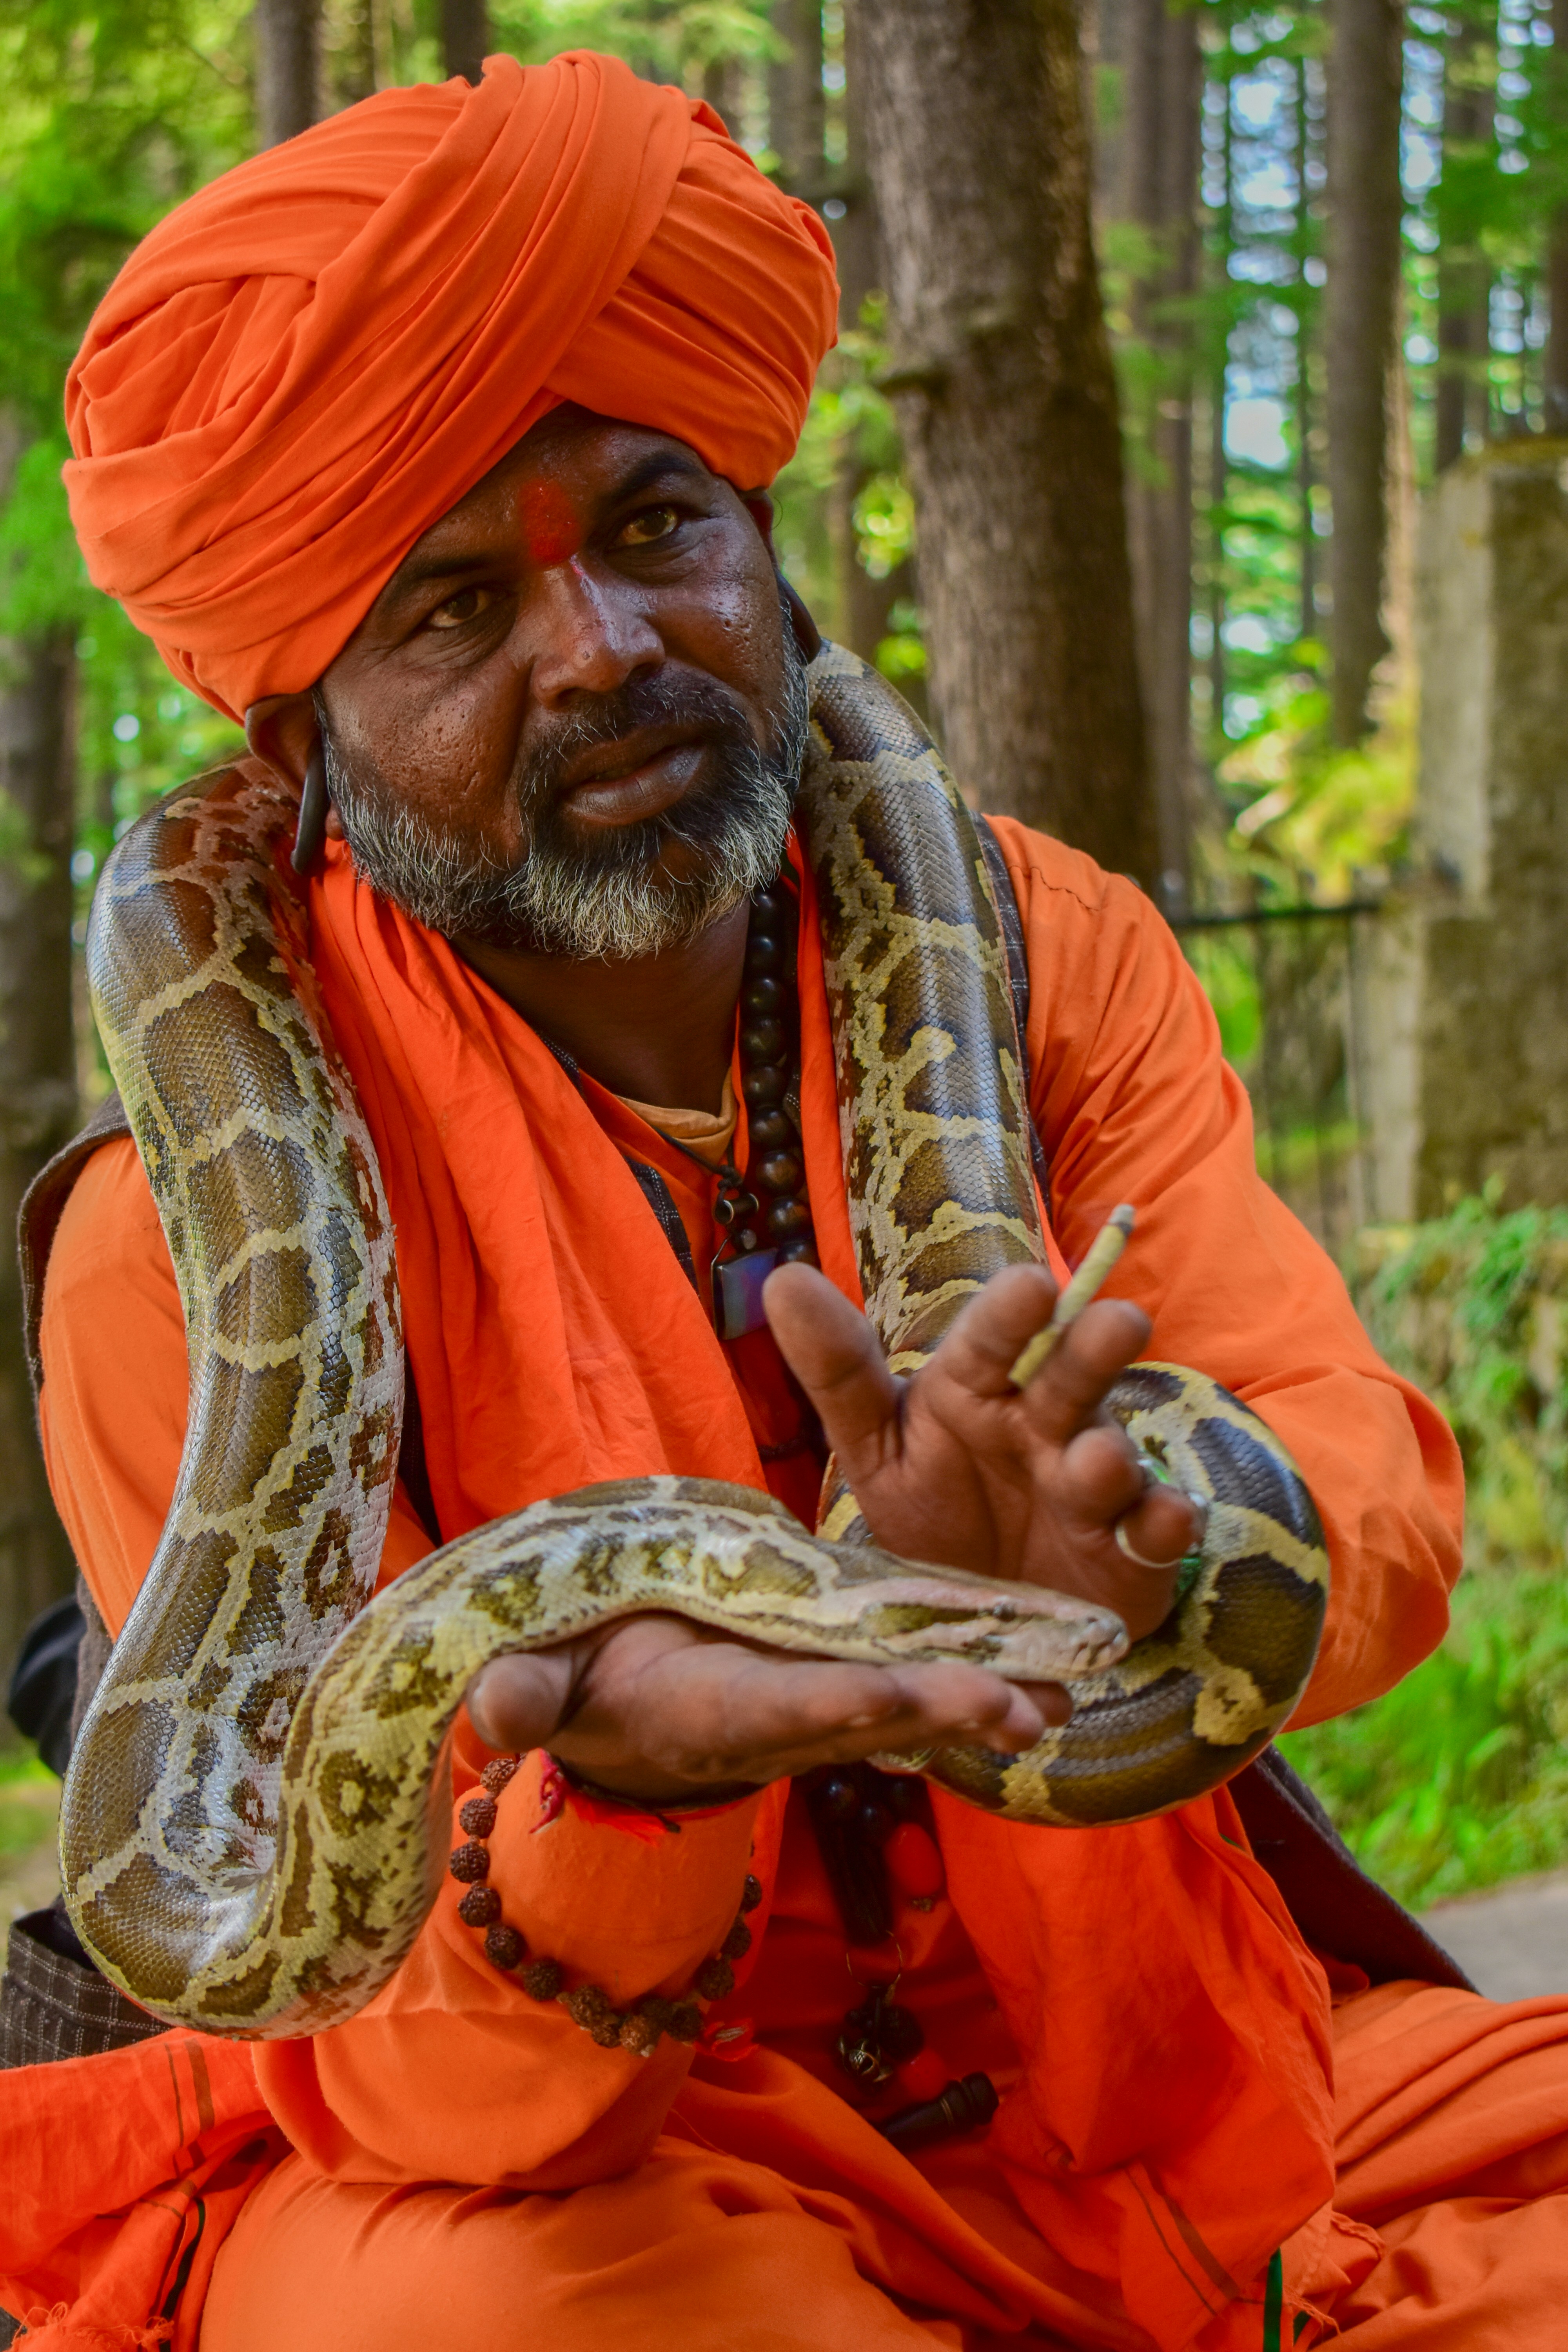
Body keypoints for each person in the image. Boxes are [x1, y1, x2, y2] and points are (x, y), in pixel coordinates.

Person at [2, 49, 1565, 2352]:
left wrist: (1150, 1536)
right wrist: (610, 1799)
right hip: (614, 2156)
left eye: (659, 527)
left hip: (1128, 2080)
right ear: (301, 738)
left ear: (761, 540)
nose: (601, 646)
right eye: (451, 607)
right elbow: (382, 2048)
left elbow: (1367, 1477)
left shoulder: (1047, 952)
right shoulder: (174, 1248)